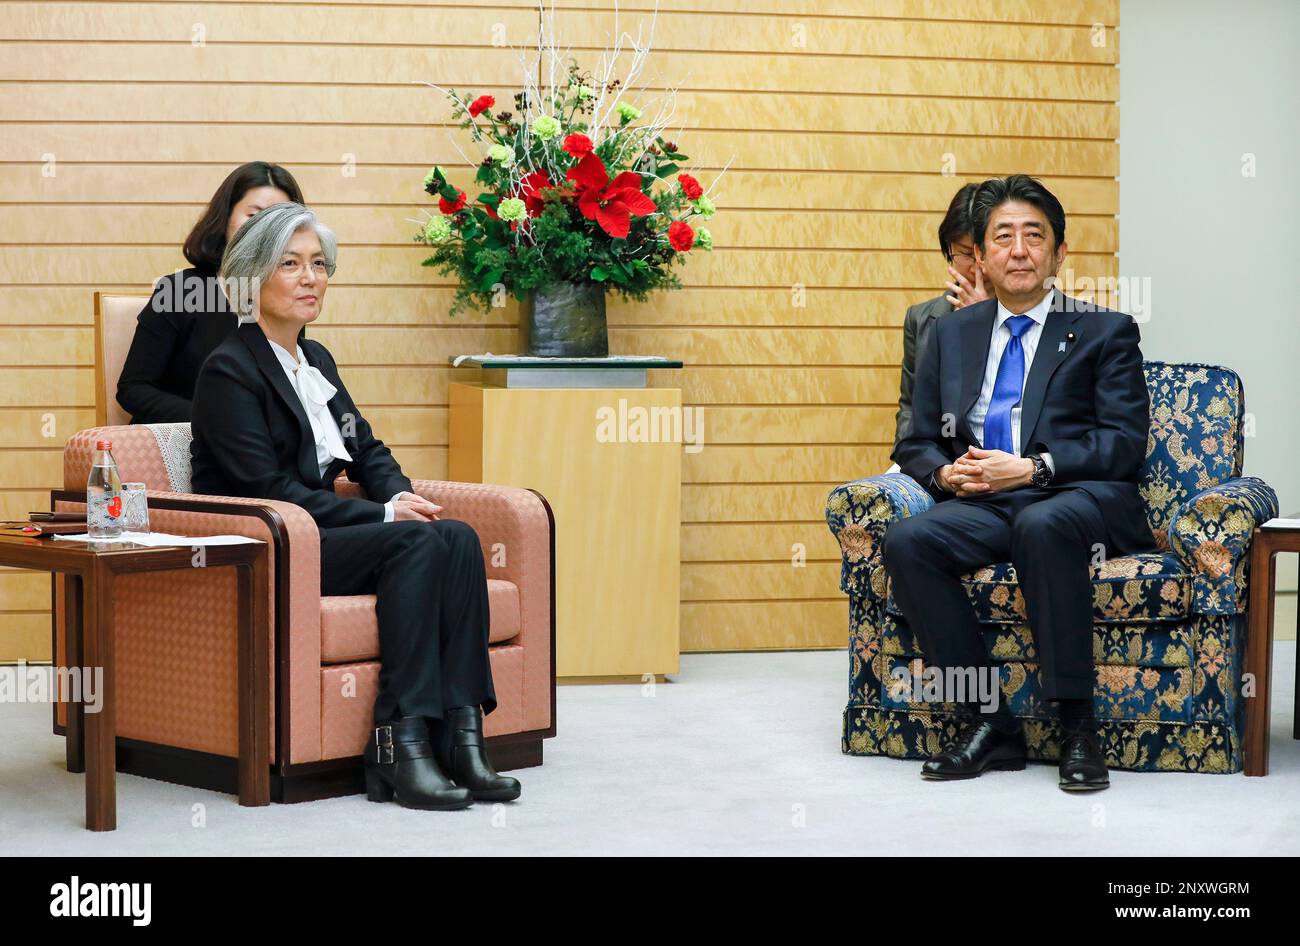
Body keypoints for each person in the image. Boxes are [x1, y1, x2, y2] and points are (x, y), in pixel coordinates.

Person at [190, 202, 519, 811]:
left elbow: (364, 446)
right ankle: (399, 745)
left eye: (319, 264)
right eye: (289, 264)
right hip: (276, 544)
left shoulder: (316, 361)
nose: (310, 277)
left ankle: (461, 733)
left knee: (458, 536)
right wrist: (384, 518)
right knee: (418, 540)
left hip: (324, 535)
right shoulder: (229, 371)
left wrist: (396, 493)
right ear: (250, 278)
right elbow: (271, 492)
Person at [885, 175, 1153, 793]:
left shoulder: (1104, 331)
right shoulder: (951, 333)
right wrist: (944, 473)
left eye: (1036, 236)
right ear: (981, 254)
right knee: (908, 542)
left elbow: (1122, 444)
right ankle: (991, 725)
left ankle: (1077, 727)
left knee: (1042, 521)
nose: (1020, 250)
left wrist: (1036, 468)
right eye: (1003, 237)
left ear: (1059, 254)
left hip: (1076, 498)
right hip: (987, 500)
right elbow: (916, 438)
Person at [116, 161, 303, 423]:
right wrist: (216, 422)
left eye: (277, 222)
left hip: (256, 450)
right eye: (254, 216)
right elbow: (133, 389)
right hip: (186, 444)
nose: (263, 231)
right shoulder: (179, 291)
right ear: (226, 218)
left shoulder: (286, 298)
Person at [894, 183, 989, 447]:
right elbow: (910, 406)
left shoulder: (1025, 313)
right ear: (949, 248)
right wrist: (907, 455)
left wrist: (981, 322)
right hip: (934, 456)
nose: (977, 267)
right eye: (966, 254)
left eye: (984, 253)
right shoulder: (921, 318)